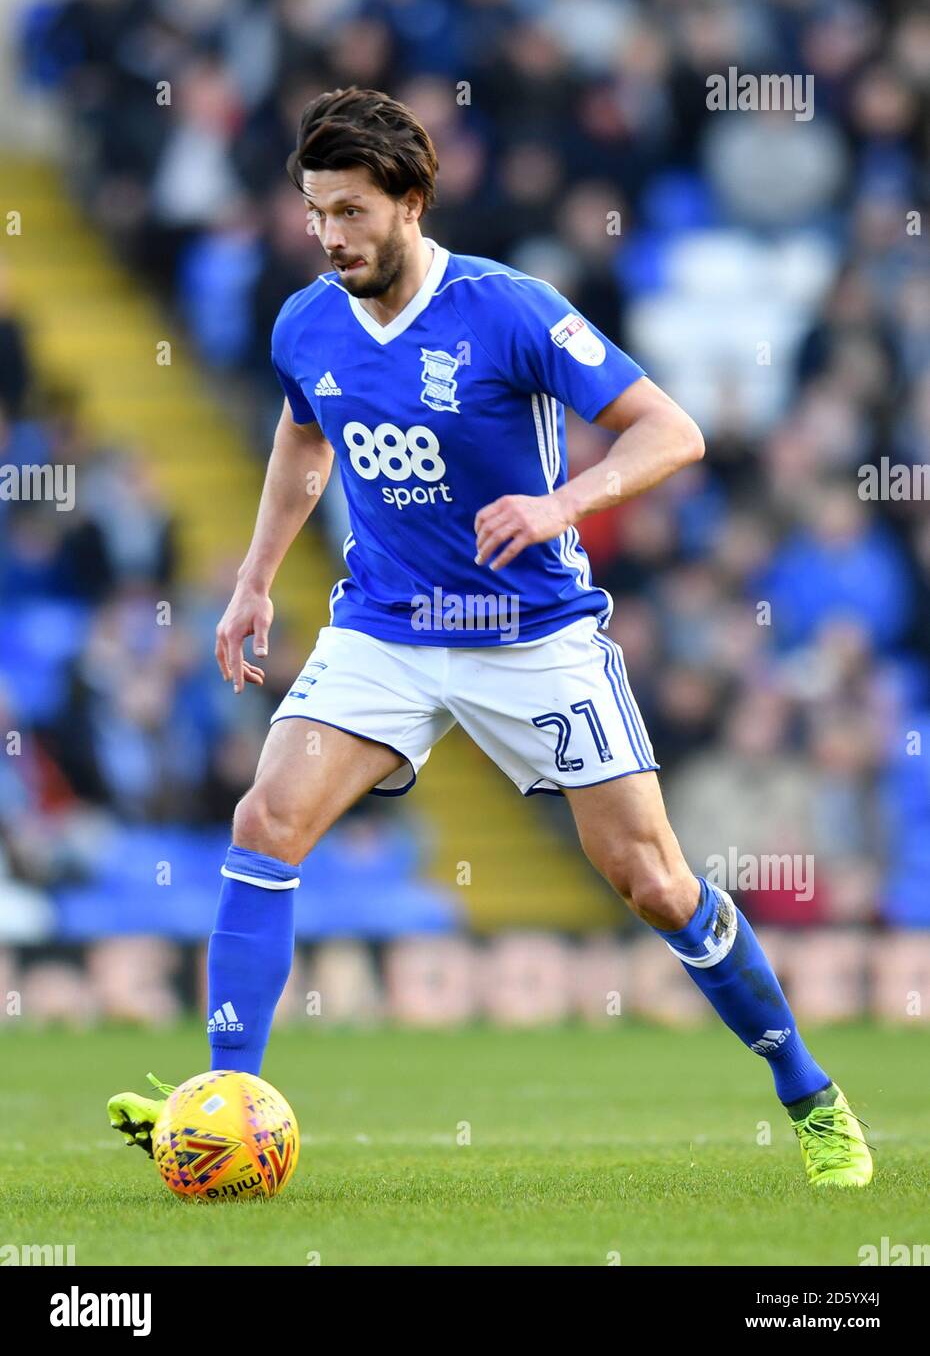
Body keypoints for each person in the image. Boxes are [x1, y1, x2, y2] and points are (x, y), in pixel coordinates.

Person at [108, 87, 871, 1188]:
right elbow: (300, 436)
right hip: (385, 625)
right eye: (318, 210)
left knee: (653, 881)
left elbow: (673, 430)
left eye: (354, 212)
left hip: (533, 635)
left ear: (411, 203)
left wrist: (562, 507)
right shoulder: (306, 320)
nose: (331, 235)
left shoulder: (508, 309)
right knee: (266, 817)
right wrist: (255, 580)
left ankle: (810, 1095)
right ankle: (221, 1103)